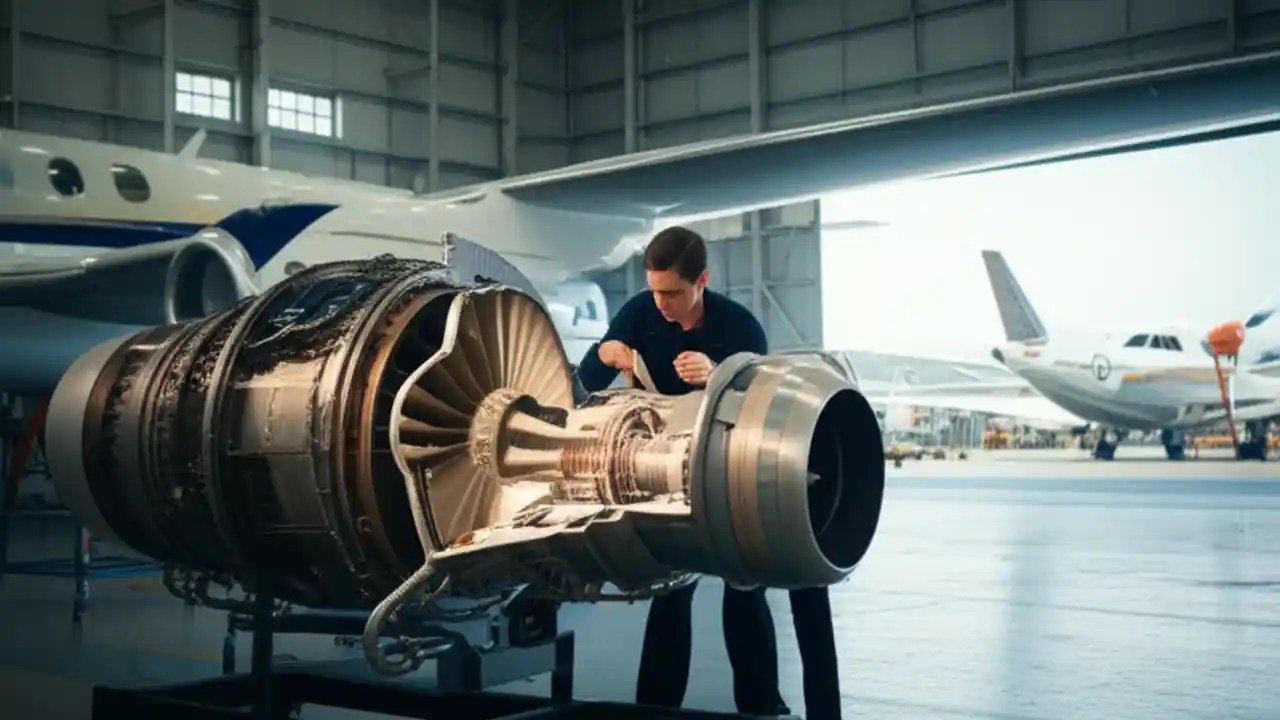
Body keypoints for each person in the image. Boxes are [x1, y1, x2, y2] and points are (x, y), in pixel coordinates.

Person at [574, 225, 790, 716]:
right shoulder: (641, 312)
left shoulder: (740, 328)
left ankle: (760, 704)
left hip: (727, 472)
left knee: (745, 589)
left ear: (702, 281)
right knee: (670, 592)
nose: (662, 304)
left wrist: (718, 375)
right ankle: (655, 707)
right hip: (666, 474)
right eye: (655, 291)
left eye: (672, 293)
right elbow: (585, 381)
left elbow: (762, 403)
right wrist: (604, 353)